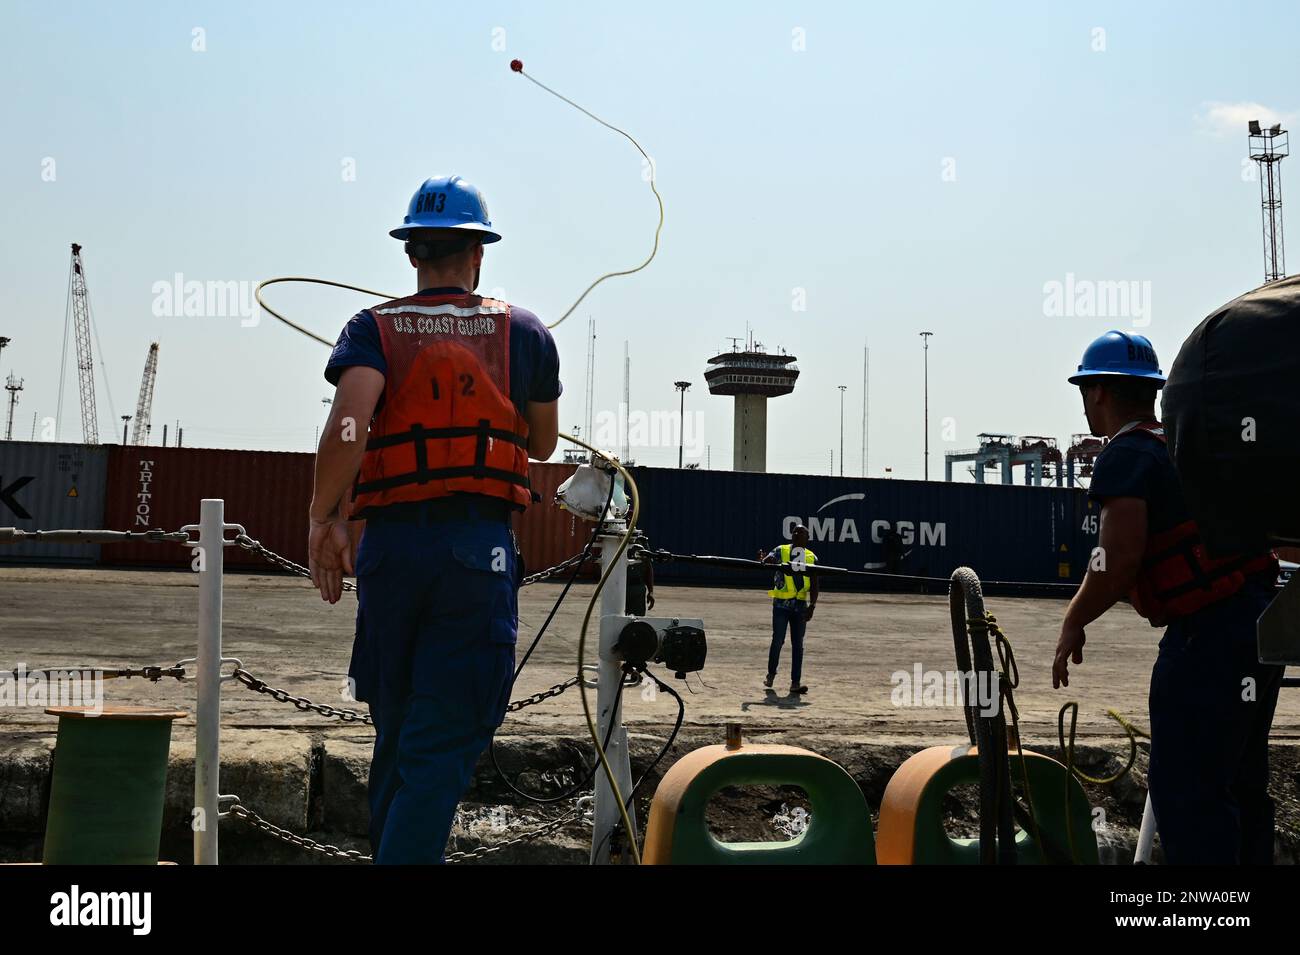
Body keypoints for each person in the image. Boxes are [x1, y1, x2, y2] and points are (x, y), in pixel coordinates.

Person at [306, 175, 561, 864]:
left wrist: (323, 516)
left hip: (390, 551)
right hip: (476, 553)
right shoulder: (526, 332)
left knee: (397, 733)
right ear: (479, 255)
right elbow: (541, 445)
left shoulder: (373, 328)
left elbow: (350, 422)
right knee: (442, 739)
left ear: (412, 253)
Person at [1051, 330, 1280, 864]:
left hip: (1206, 639)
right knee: (1241, 784)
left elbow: (1116, 560)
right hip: (1258, 627)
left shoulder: (1126, 456)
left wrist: (1074, 620)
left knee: (1189, 792)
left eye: (1086, 390)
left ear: (1099, 392)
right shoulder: (1184, 447)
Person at [758, 524, 818, 694]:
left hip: (800, 607)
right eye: (795, 532)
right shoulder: (780, 550)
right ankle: (771, 674)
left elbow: (814, 584)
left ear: (807, 538)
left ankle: (795, 683)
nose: (797, 534)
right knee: (778, 640)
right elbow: (767, 560)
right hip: (781, 606)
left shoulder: (811, 557)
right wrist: (763, 560)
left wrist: (812, 605)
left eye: (801, 532)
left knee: (798, 645)